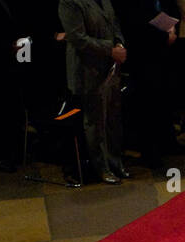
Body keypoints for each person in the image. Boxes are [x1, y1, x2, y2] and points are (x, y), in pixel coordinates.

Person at [58, 0, 128, 183]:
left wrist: (119, 43)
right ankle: (101, 167)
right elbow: (77, 38)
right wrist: (110, 49)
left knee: (112, 118)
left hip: (110, 67)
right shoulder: (69, 2)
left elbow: (114, 24)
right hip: (87, 69)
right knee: (95, 121)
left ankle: (115, 162)